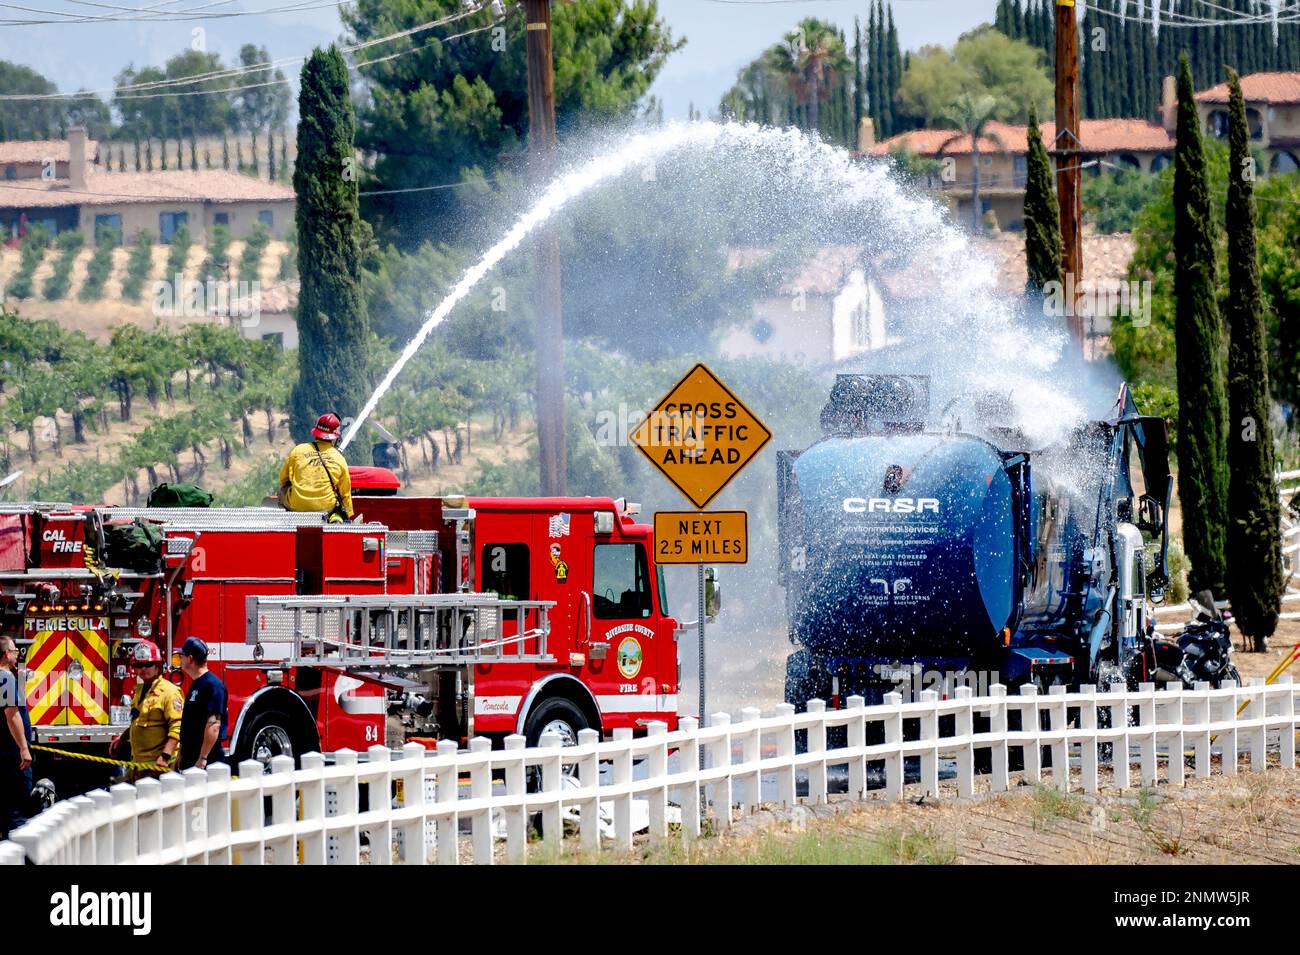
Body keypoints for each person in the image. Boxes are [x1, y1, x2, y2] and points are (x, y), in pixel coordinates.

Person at [112, 641, 183, 781]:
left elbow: (178, 726)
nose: (143, 669)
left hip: (160, 767)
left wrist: (165, 756)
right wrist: (122, 738)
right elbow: (139, 721)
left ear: (157, 667)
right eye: (138, 665)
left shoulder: (169, 692)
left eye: (148, 664)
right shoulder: (140, 690)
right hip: (140, 766)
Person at [279, 412, 354, 523]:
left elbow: (283, 478)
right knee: (338, 503)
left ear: (316, 432)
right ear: (335, 437)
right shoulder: (339, 458)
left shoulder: (298, 450)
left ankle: (288, 519)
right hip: (325, 508)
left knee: (282, 491)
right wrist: (348, 513)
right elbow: (345, 492)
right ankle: (336, 518)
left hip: (297, 506)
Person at [176, 637, 228, 772]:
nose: (180, 660)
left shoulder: (213, 686)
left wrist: (203, 758)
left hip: (207, 760)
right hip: (191, 756)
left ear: (190, 659)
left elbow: (213, 725)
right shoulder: (196, 685)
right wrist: (181, 754)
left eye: (182, 656)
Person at [0, 636, 32, 837]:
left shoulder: (7, 678)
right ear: (5, 654)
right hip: (11, 756)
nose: (16, 654)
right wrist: (23, 748)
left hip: (4, 752)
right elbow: (12, 714)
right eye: (13, 651)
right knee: (17, 811)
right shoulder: (4, 678)